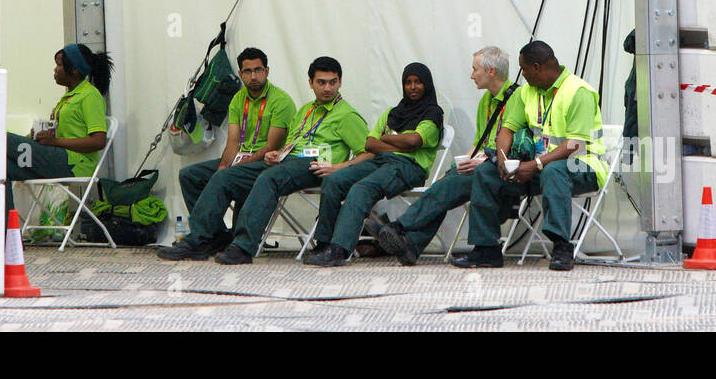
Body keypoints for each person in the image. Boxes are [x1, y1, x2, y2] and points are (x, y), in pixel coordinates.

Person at [161, 56, 368, 265]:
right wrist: (274, 154)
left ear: (340, 82)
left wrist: (340, 167)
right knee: (224, 176)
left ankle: (243, 246)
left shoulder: (347, 115)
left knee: (269, 178)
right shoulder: (306, 110)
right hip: (287, 161)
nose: (327, 88)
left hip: (315, 164)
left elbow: (368, 153)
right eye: (321, 82)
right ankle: (202, 239)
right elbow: (290, 144)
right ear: (311, 83)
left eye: (332, 82)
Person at [453, 40, 605, 271]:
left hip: (581, 165)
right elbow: (508, 129)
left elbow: (575, 144)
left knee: (554, 171)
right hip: (539, 166)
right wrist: (503, 160)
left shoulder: (578, 91)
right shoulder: (527, 92)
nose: (521, 75)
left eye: (523, 69)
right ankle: (487, 250)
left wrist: (534, 164)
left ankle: (562, 247)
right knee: (486, 171)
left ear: (536, 67)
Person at [374, 47, 518, 265]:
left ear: (490, 71)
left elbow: (513, 145)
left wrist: (479, 161)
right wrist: (456, 166)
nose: (471, 75)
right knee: (445, 181)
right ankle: (411, 244)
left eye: (474, 70)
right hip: (482, 162)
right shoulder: (485, 102)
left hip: (501, 167)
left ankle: (399, 227)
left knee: (446, 188)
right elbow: (478, 144)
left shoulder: (518, 98)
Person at [301, 63, 444, 267]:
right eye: (408, 82)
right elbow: (370, 143)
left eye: (418, 82)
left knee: (362, 188)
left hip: (409, 167)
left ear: (427, 85)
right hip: (381, 162)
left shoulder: (433, 113)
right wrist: (397, 143)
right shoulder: (392, 113)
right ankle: (324, 243)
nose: (413, 87)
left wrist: (387, 139)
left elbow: (414, 141)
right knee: (334, 180)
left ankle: (340, 249)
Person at [159, 48, 296, 258]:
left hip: (268, 164)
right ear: (240, 74)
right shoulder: (238, 99)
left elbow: (271, 147)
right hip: (243, 160)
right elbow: (232, 142)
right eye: (248, 71)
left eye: (258, 70)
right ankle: (216, 236)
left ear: (267, 71)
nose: (253, 76)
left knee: (224, 176)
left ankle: (197, 239)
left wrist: (234, 168)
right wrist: (224, 166)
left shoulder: (281, 100)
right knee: (190, 175)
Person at [5, 42, 112, 213]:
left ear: (75, 70)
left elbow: (99, 141)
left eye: (59, 65)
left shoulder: (90, 96)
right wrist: (42, 136)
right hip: (58, 158)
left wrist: (55, 141)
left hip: (74, 164)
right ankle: (9, 234)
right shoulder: (68, 97)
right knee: (2, 169)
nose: (55, 69)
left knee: (4, 139)